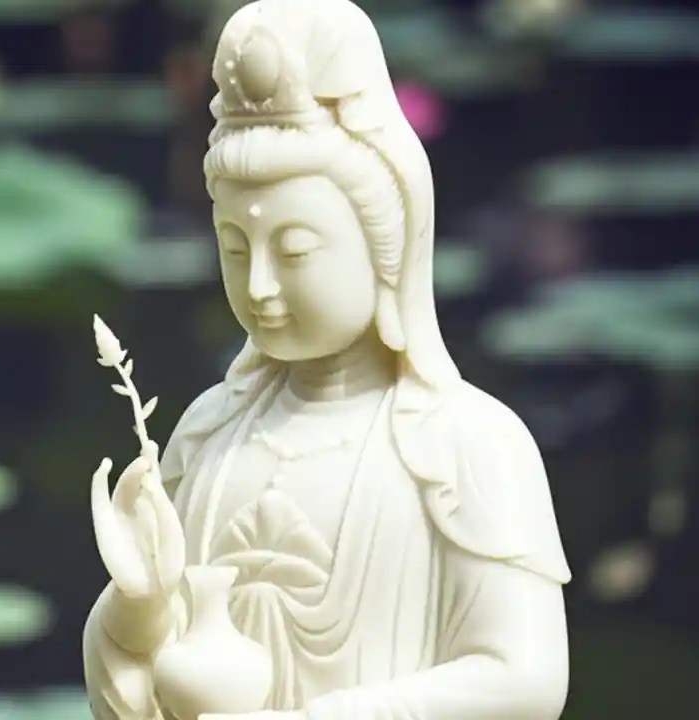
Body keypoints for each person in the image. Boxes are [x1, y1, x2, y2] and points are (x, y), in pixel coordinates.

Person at [82, 1, 571, 718]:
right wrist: (139, 606)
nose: (259, 287)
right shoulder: (208, 438)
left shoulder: (468, 445)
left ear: (386, 245)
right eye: (235, 249)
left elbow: (523, 680)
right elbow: (128, 686)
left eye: (297, 250)